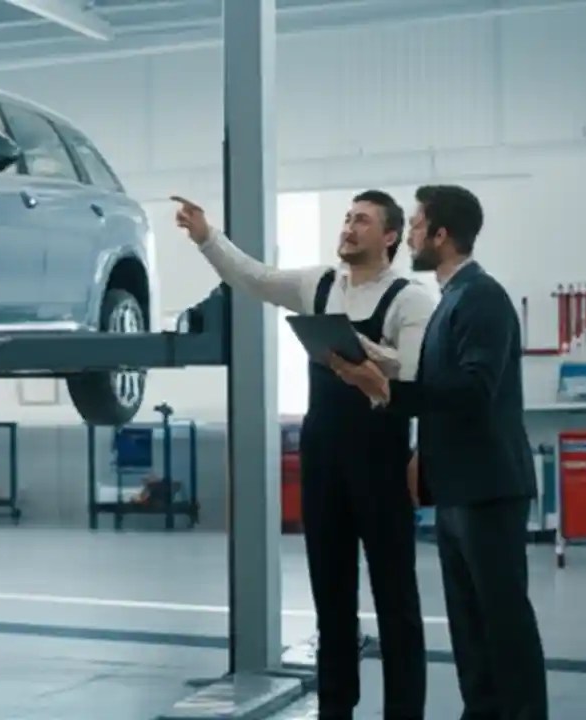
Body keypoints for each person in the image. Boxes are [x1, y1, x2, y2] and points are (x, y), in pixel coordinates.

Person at [172, 191, 433, 720]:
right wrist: (207, 238)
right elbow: (255, 278)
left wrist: (362, 351)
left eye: (363, 221)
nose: (349, 227)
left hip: (381, 462)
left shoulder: (411, 299)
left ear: (389, 237)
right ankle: (335, 708)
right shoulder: (320, 284)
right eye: (347, 218)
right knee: (331, 599)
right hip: (324, 460)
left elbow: (413, 376)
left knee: (396, 601)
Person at [330, 184, 548, 720]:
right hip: (456, 488)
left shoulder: (482, 298)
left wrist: (387, 390)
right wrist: (418, 448)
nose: (411, 235)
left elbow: (474, 390)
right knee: (471, 629)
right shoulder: (452, 299)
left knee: (503, 625)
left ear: (442, 235)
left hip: (487, 489)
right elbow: (444, 384)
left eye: (417, 225)